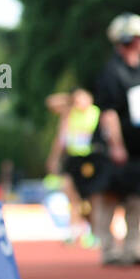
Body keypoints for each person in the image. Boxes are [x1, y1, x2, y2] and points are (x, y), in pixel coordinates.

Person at [91, 14, 140, 267]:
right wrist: (116, 145)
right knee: (109, 196)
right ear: (127, 39)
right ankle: (110, 251)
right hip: (116, 148)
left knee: (137, 197)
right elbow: (108, 113)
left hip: (139, 147)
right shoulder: (111, 72)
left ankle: (134, 249)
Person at [45, 88, 101, 246]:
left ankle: (94, 232)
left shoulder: (96, 112)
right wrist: (53, 158)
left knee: (90, 199)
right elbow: (51, 103)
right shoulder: (69, 113)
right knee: (71, 195)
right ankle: (74, 231)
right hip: (72, 160)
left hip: (90, 161)